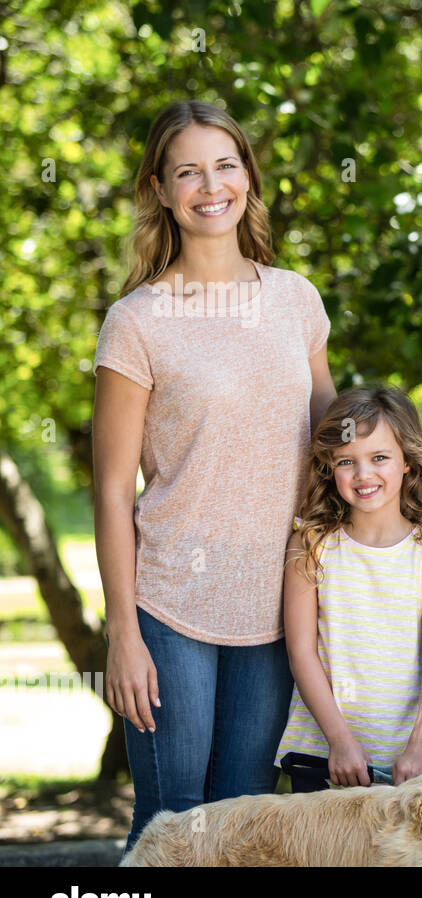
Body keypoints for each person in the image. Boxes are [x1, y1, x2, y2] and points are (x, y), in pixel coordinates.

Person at [92, 100, 337, 857]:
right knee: (172, 828)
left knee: (243, 830)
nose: (210, 185)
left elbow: (340, 445)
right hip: (171, 609)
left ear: (247, 179)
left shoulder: (294, 299)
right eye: (188, 171)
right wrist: (123, 634)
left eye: (225, 165)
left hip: (275, 609)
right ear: (162, 190)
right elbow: (110, 489)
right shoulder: (136, 322)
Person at [276, 386, 422, 789]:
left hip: (408, 761)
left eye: (379, 457)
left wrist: (421, 744)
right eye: (347, 461)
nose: (364, 475)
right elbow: (302, 653)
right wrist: (339, 741)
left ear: (408, 463)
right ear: (330, 467)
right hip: (322, 753)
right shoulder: (311, 544)